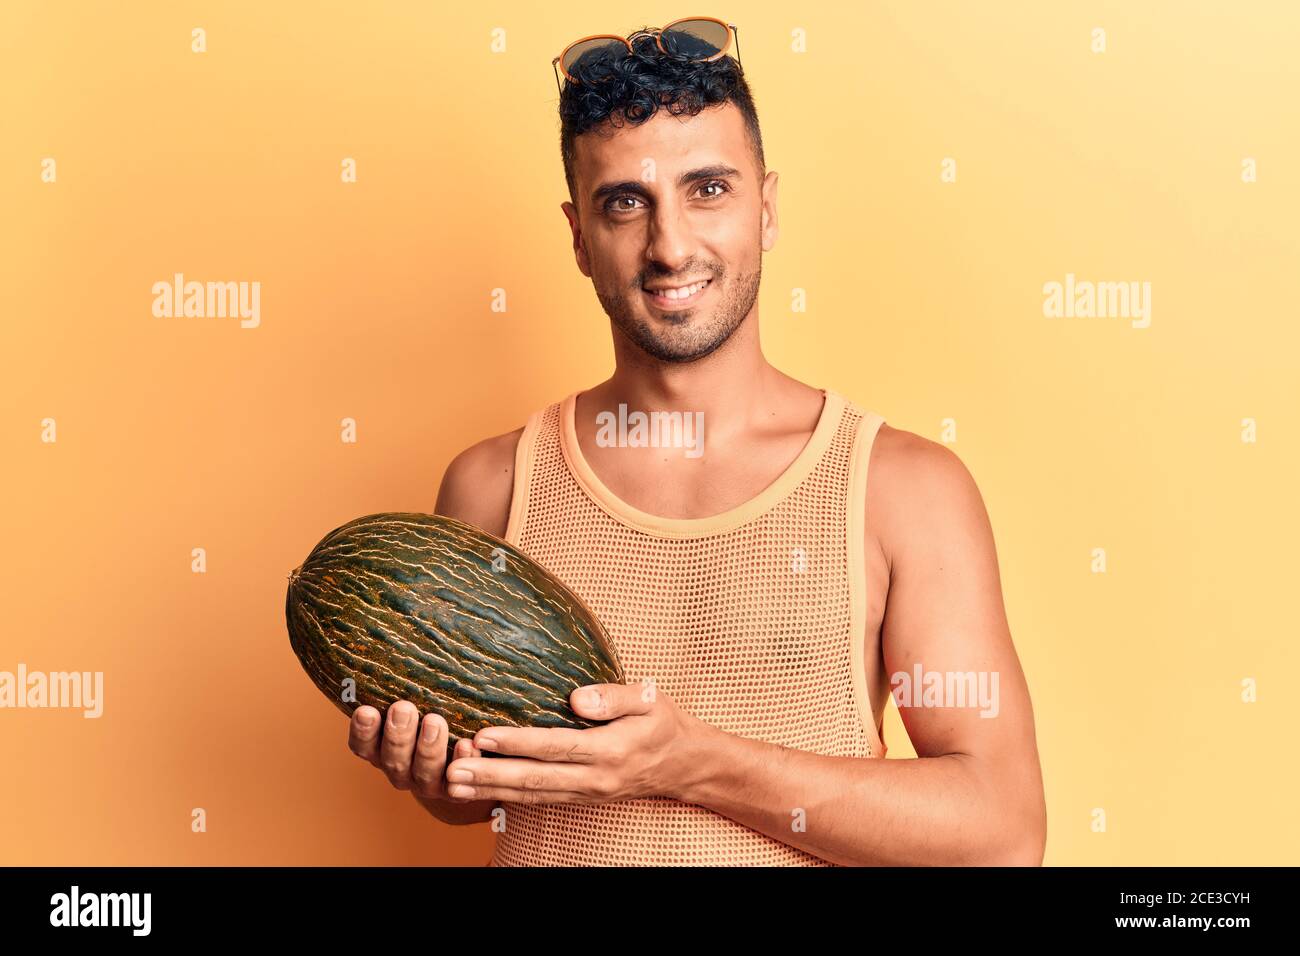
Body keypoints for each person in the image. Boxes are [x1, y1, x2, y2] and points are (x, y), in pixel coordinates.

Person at [347, 24, 1046, 866]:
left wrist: (693, 765)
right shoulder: (491, 485)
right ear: (578, 237)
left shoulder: (902, 490)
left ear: (768, 206)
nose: (671, 245)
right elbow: (489, 795)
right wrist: (438, 776)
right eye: (625, 202)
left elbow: (1000, 832)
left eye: (707, 188)